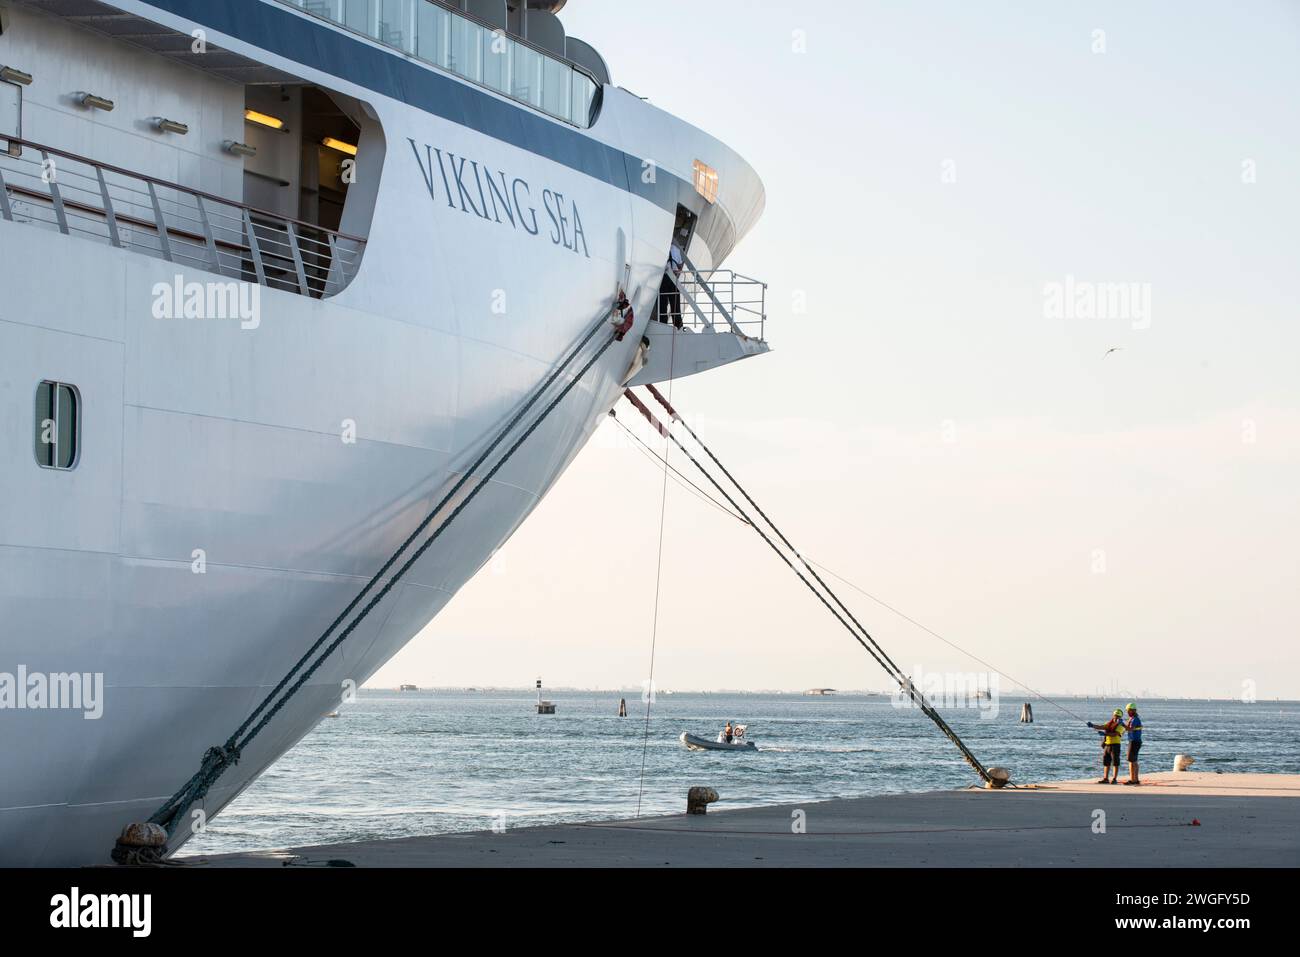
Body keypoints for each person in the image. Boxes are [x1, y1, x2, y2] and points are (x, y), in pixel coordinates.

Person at [1086, 708, 1125, 784]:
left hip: (1115, 745)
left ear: (1120, 717)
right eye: (1115, 715)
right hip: (1107, 745)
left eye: (1118, 716)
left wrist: (1105, 734)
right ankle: (1106, 778)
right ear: (1113, 716)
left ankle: (1114, 779)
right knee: (1106, 762)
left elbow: (1115, 734)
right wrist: (1092, 725)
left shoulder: (1121, 726)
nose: (1116, 717)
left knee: (1115, 763)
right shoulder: (1109, 723)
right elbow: (1101, 727)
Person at [1123, 702, 1143, 785]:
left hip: (1135, 741)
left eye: (1129, 710)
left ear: (1133, 710)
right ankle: (1134, 779)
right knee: (1132, 760)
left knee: (1132, 761)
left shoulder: (1135, 719)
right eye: (1127, 710)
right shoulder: (1131, 719)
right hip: (1133, 741)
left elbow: (1130, 729)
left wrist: (1122, 724)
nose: (1127, 712)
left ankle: (1134, 780)